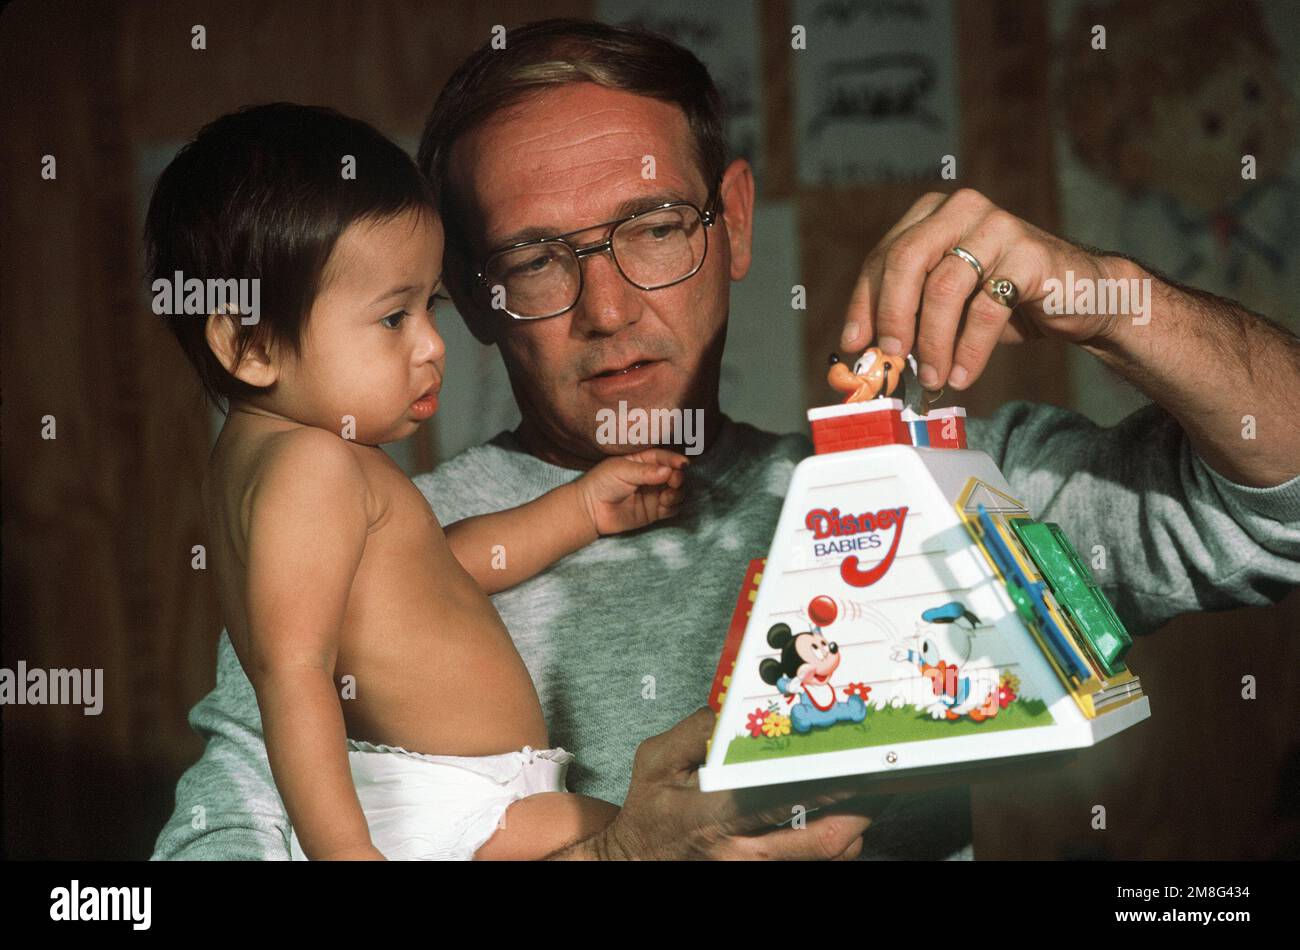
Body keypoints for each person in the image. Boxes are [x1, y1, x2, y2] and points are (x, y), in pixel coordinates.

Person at [153, 19, 1300, 862]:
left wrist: (1114, 299)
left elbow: (1275, 508)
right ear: (472, 289)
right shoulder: (363, 536)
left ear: (732, 221)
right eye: (537, 259)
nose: (607, 308)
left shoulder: (922, 495)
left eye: (654, 227)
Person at [145, 102, 688, 860]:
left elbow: (433, 572)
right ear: (253, 345)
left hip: (463, 799)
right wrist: (347, 854)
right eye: (393, 318)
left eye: (427, 305)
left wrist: (577, 511)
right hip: (436, 807)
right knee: (674, 841)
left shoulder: (287, 457)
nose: (435, 345)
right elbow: (290, 674)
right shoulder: (311, 464)